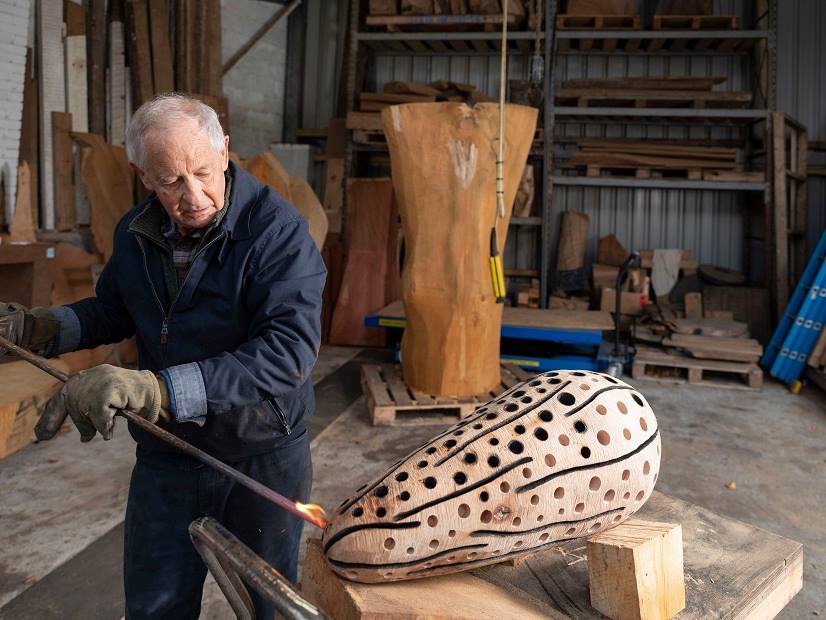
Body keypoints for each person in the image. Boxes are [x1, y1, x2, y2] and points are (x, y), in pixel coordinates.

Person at [0, 93, 326, 619]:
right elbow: (114, 311)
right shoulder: (137, 232)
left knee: (270, 607)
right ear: (143, 175)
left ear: (225, 152)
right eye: (171, 180)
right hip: (168, 452)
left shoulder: (278, 234)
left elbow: (286, 354)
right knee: (155, 606)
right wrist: (39, 328)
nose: (193, 195)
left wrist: (157, 390)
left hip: (260, 454)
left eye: (202, 171)